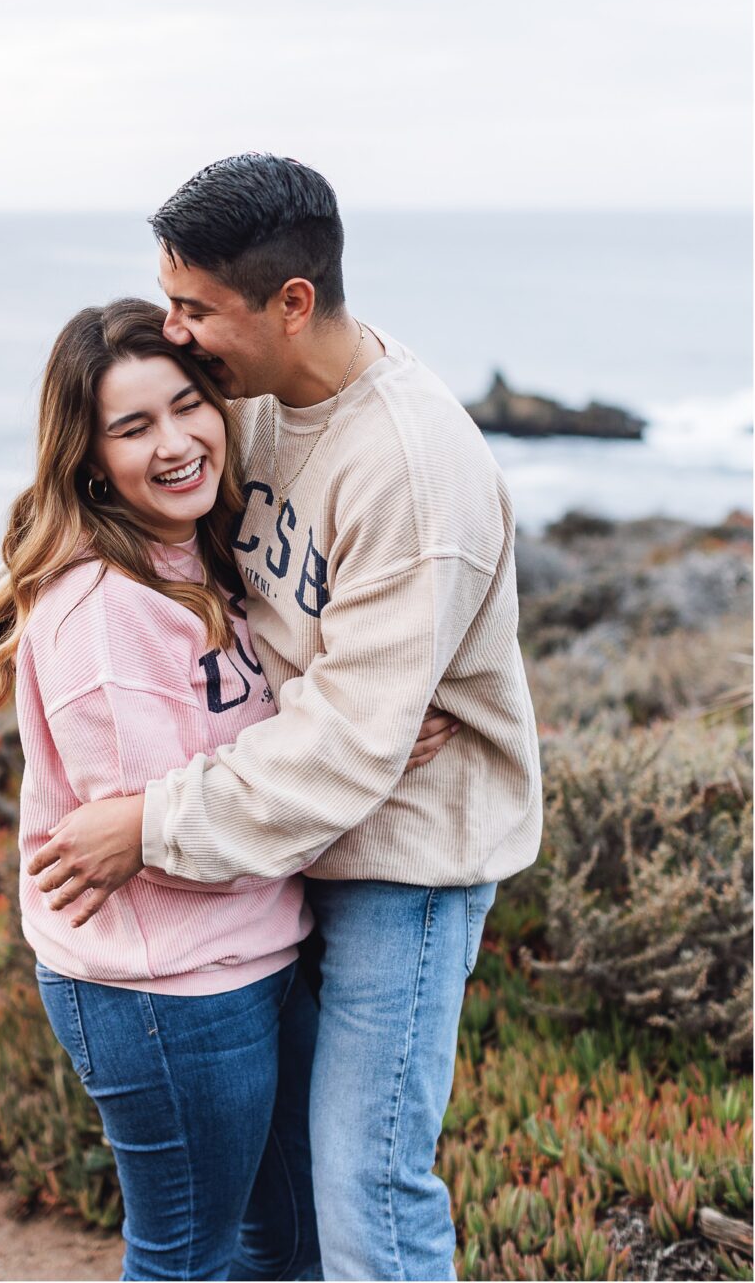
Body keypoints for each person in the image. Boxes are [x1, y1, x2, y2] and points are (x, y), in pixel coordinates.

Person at [28, 154, 543, 1283]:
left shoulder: (413, 471)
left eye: (196, 309)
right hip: (281, 858)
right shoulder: (247, 406)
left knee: (365, 1187)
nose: (177, 331)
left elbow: (352, 748)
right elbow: (201, 593)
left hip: (401, 858)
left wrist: (151, 824)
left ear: (291, 304)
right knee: (282, 1217)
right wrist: (329, 717)